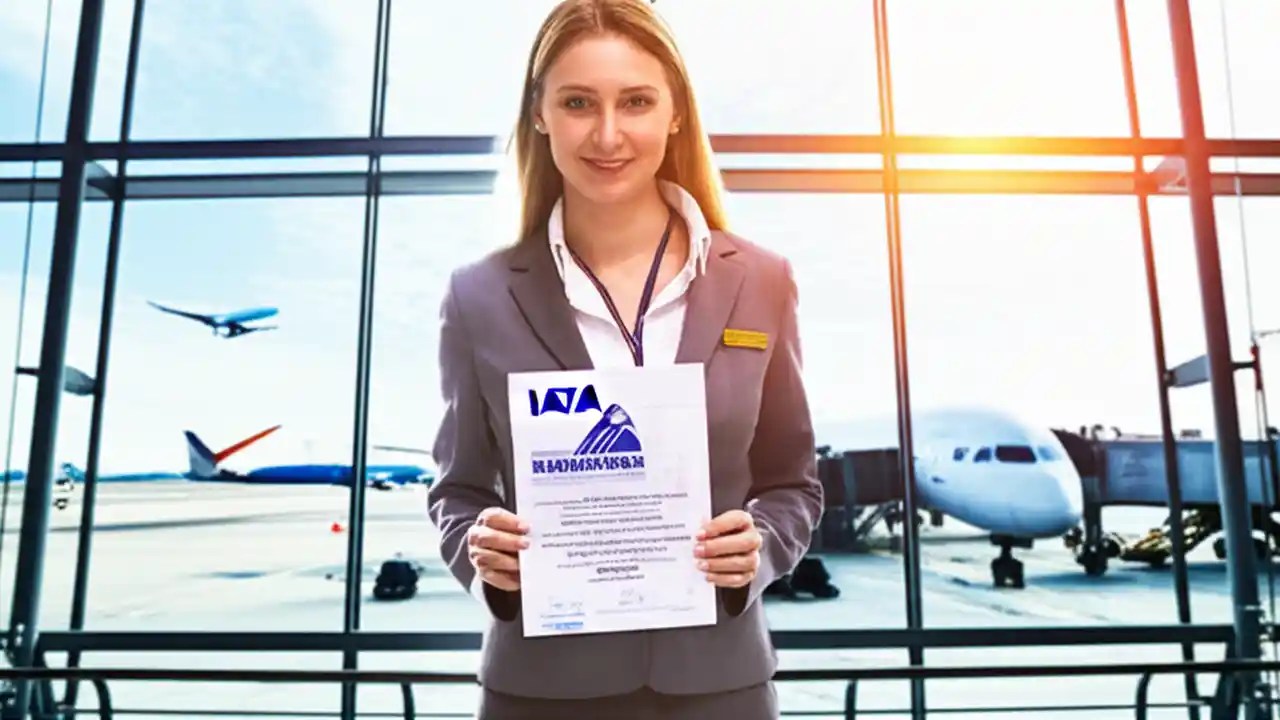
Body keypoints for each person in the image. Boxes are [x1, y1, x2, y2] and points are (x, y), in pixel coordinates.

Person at [426, 1, 823, 717]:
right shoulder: (478, 295)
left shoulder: (761, 281)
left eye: (636, 102)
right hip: (540, 689)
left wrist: (759, 548)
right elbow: (458, 491)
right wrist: (481, 551)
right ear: (540, 114)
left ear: (675, 114)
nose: (608, 135)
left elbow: (793, 482)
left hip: (719, 686)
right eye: (578, 102)